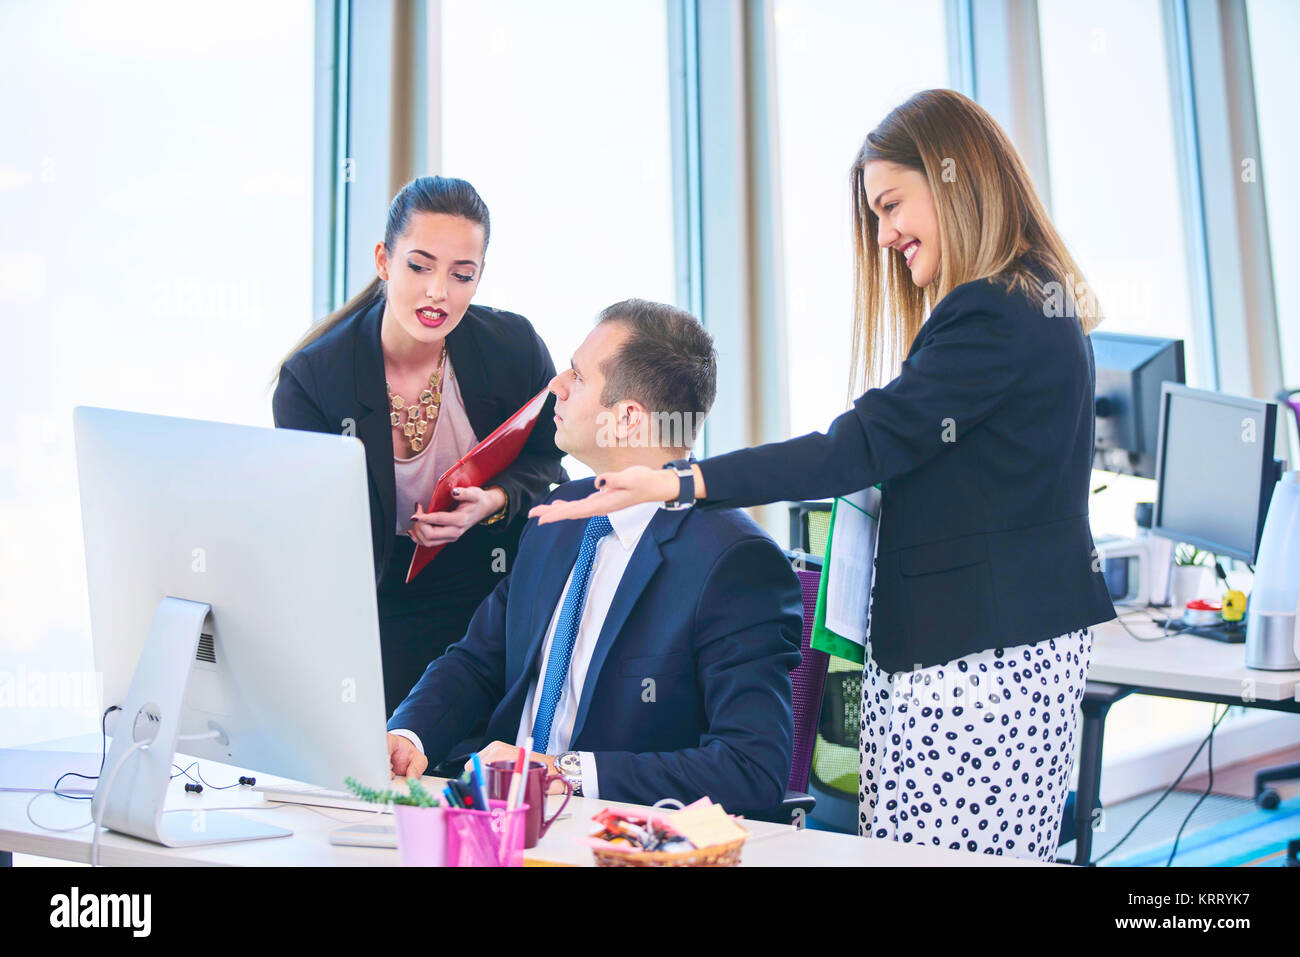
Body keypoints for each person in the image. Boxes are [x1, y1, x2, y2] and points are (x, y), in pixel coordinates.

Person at [530, 90, 1117, 860]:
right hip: (980, 659)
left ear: (954, 178)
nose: (884, 236)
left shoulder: (993, 312)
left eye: (892, 204)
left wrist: (680, 482)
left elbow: (857, 445)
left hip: (974, 674)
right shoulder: (1030, 300)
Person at [386, 299, 803, 814]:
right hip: (497, 817)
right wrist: (410, 733)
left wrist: (564, 773)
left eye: (578, 377)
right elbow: (478, 661)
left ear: (627, 418)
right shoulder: (558, 513)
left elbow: (751, 768)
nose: (556, 386)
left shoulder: (735, 562)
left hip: (610, 834)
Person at [272, 176, 565, 714]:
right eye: (419, 266)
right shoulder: (315, 381)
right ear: (384, 260)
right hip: (380, 602)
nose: (439, 292)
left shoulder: (512, 348)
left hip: (496, 592)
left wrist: (494, 502)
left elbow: (550, 461)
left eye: (462, 275)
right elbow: (310, 529)